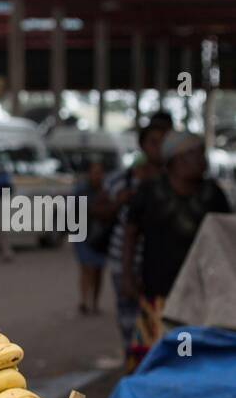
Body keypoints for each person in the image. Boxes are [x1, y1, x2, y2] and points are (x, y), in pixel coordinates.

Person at [121, 132, 231, 307]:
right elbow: (130, 234)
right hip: (157, 288)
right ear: (176, 159)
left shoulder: (213, 193)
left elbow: (226, 236)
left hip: (203, 291)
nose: (202, 159)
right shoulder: (149, 191)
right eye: (195, 153)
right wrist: (127, 276)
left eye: (202, 153)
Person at [96, 114, 172, 360]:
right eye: (153, 141)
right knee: (130, 322)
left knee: (163, 323)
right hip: (125, 262)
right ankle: (134, 369)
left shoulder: (175, 181)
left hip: (161, 267)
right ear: (142, 145)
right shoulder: (123, 179)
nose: (159, 147)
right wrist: (119, 203)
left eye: (164, 141)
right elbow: (97, 210)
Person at [72, 160, 109, 315]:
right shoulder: (81, 190)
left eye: (99, 173)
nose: (97, 176)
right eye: (94, 172)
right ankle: (84, 301)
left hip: (100, 237)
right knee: (86, 267)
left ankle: (94, 302)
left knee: (98, 270)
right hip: (83, 234)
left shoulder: (106, 191)